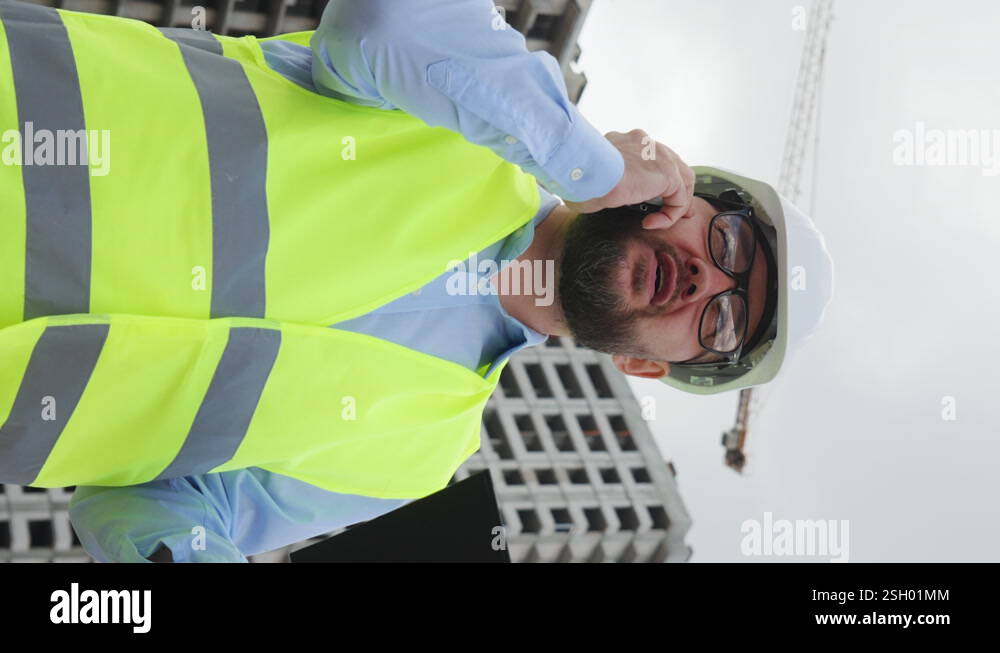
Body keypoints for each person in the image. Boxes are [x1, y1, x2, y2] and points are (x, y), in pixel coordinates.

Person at [0, 0, 832, 561]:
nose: (705, 280)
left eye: (725, 324)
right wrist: (590, 161)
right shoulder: (487, 122)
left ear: (651, 368)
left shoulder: (419, 457)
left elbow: (151, 507)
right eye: (727, 237)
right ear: (677, 194)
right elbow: (382, 17)